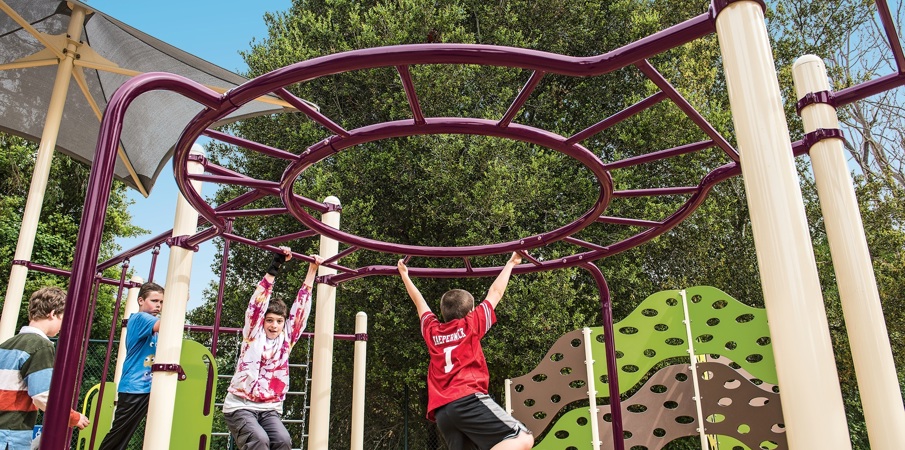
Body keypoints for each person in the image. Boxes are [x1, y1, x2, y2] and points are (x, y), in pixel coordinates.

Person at [397, 252, 534, 450]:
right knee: (522, 437)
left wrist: (405, 276)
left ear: (443, 313)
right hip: (467, 399)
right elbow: (495, 292)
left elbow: (420, 304)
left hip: (443, 413)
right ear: (470, 312)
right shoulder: (470, 325)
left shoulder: (433, 332)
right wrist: (511, 262)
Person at [223, 247, 322, 450]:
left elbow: (301, 309)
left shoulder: (286, 339)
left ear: (284, 323)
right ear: (263, 322)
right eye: (269, 320)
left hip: (269, 408)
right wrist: (276, 264)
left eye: (279, 321)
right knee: (259, 440)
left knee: (283, 440)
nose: (274, 325)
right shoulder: (253, 334)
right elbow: (257, 304)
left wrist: (313, 269)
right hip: (240, 406)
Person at [0, 286, 90, 450]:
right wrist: (73, 417)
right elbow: (43, 395)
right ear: (53, 313)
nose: (63, 325)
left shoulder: (6, 345)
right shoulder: (40, 345)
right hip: (11, 435)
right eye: (63, 318)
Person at [97, 282, 164, 450]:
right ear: (141, 300)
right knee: (118, 436)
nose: (158, 305)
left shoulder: (153, 325)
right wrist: (179, 301)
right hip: (135, 387)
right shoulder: (141, 318)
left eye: (162, 302)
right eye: (154, 301)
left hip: (149, 386)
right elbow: (166, 325)